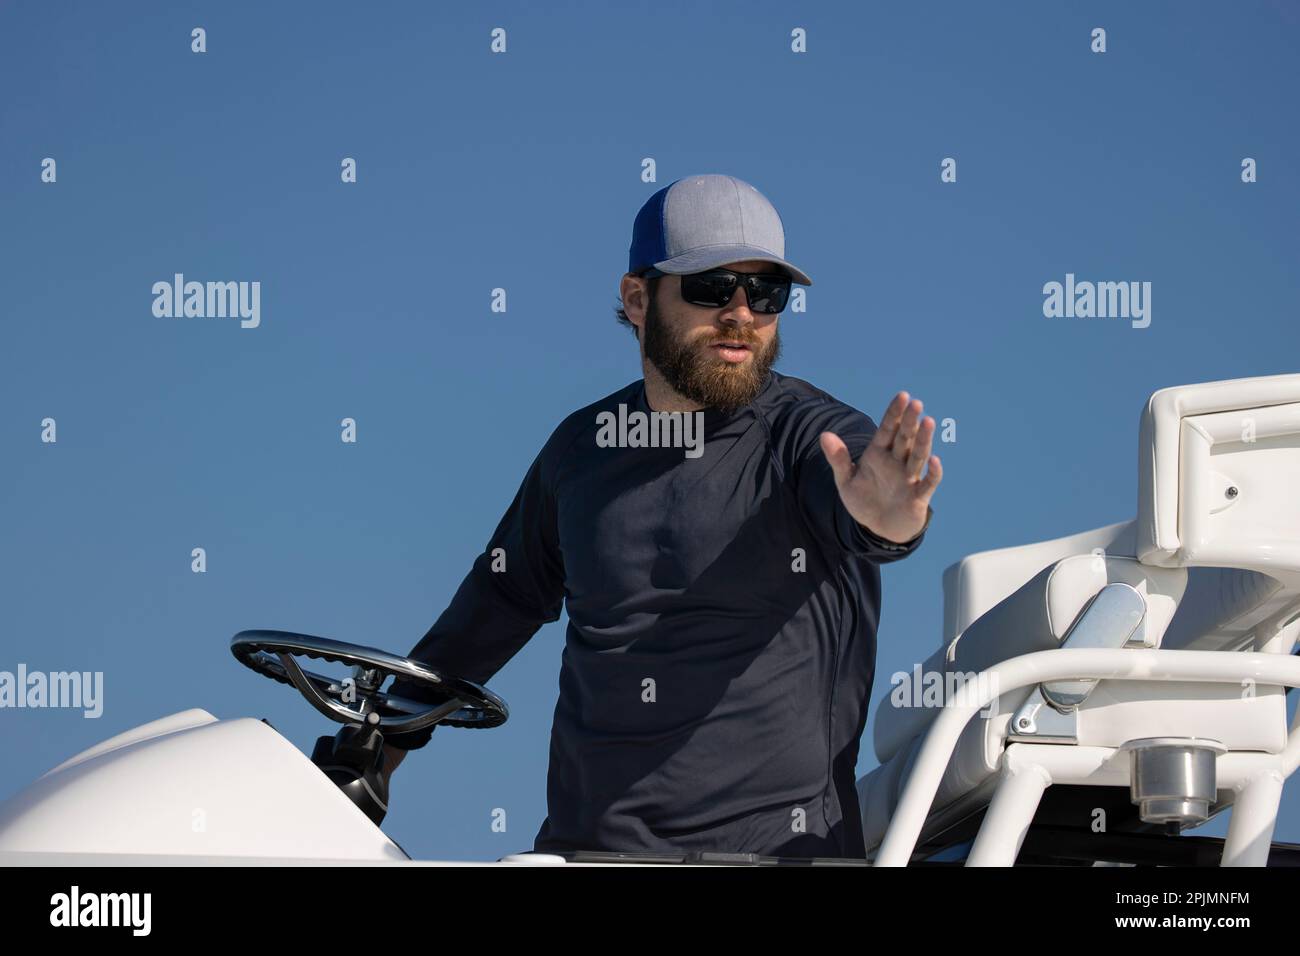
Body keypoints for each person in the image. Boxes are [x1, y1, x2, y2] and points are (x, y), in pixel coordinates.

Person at [379, 173, 941, 858]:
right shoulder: (581, 451)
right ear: (637, 298)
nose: (742, 313)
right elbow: (496, 604)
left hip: (774, 858)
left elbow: (866, 513)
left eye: (767, 293)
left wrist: (888, 518)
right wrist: (378, 742)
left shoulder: (810, 436)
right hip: (584, 855)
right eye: (712, 287)